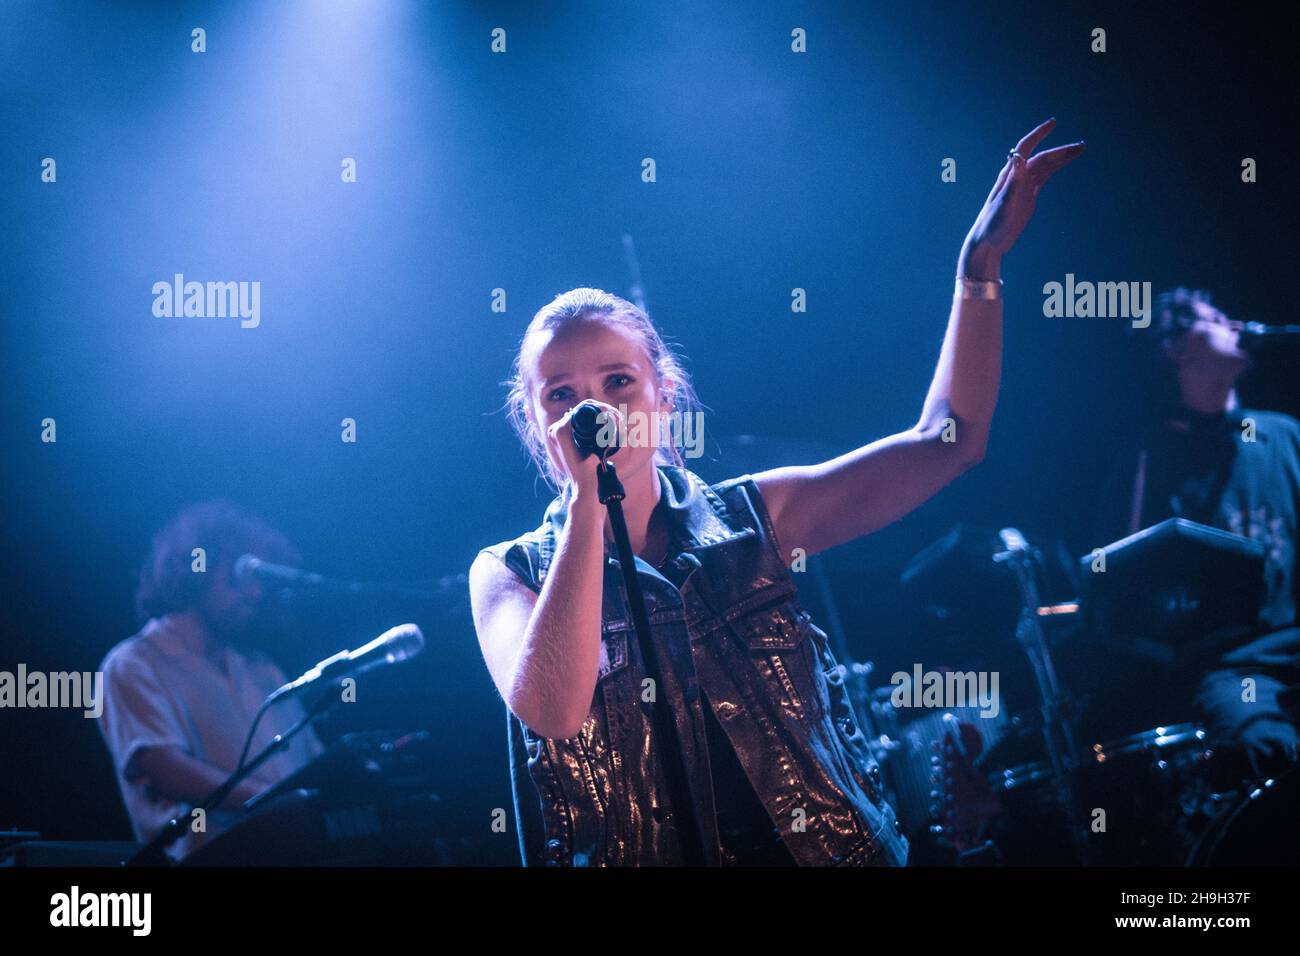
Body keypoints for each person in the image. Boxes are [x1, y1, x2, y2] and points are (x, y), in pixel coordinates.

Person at [469, 120, 1083, 866]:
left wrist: (978, 269)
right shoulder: (507, 574)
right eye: (562, 395)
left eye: (617, 382)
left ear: (664, 395)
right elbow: (555, 712)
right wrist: (585, 512)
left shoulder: (757, 518)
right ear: (535, 423)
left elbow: (950, 441)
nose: (592, 410)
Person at [1093, 289, 1300, 778]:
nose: (1237, 321)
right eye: (1216, 317)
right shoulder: (1145, 466)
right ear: (1174, 347)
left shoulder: (1285, 436)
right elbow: (1117, 600)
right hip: (1237, 670)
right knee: (1270, 748)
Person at [96, 500, 326, 861]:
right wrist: (279, 802)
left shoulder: (263, 668)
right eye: (240, 574)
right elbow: (163, 768)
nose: (255, 592)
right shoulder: (134, 663)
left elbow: (315, 766)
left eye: (260, 579)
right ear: (195, 568)